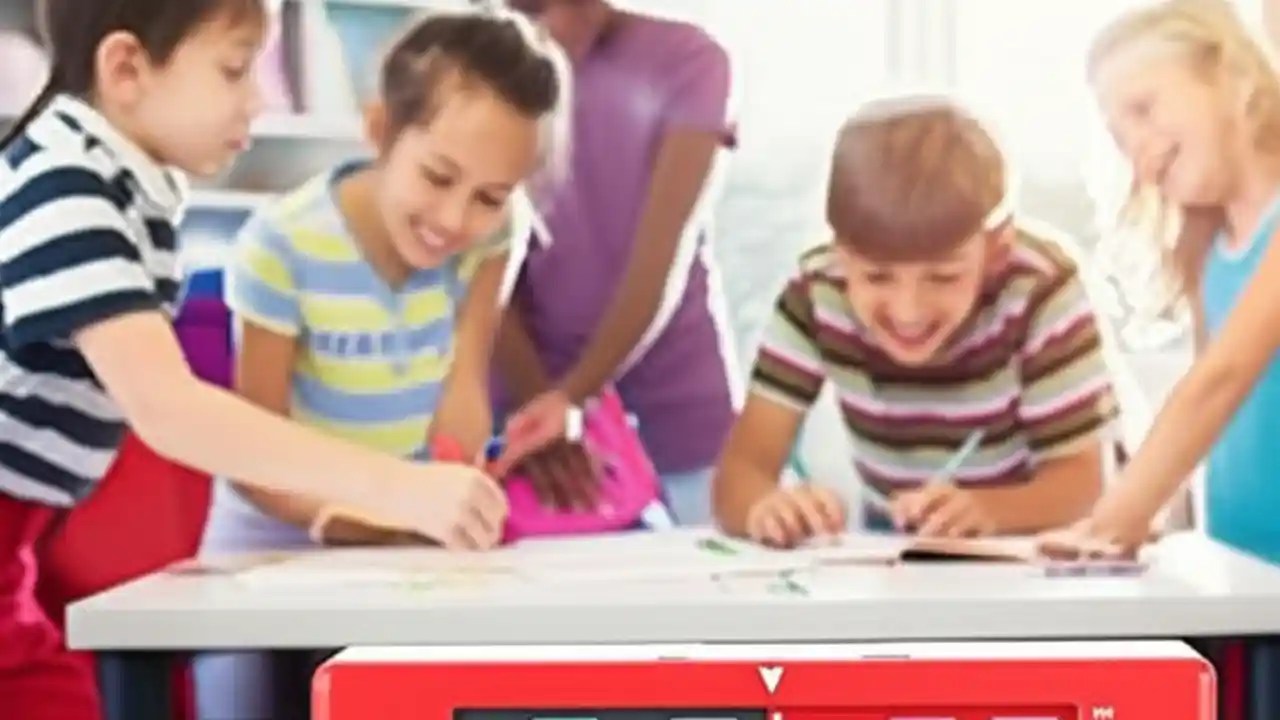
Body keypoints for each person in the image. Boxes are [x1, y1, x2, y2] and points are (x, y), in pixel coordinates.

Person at [0, 1, 506, 716]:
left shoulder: (105, 183)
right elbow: (170, 411)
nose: (258, 99)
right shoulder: (66, 191)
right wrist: (396, 486)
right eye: (235, 71)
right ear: (125, 69)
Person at [193, 10, 566, 718]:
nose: (456, 220)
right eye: (438, 176)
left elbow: (462, 396)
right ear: (380, 130)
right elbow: (253, 454)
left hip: (402, 547)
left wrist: (450, 495)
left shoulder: (494, 239)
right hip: (267, 551)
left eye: (490, 196)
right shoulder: (282, 245)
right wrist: (352, 517)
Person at [713, 96, 1120, 548]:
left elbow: (1085, 484)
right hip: (898, 555)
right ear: (842, 254)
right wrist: (766, 507)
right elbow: (741, 471)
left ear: (996, 251)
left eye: (943, 277)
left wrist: (989, 510)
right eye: (876, 276)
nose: (908, 310)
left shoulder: (1040, 288)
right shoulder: (817, 292)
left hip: (1032, 553)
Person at [1036, 0, 1280, 564]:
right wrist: (1164, 524)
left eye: (1143, 108)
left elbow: (1222, 379)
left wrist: (1112, 522)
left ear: (1231, 74)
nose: (1139, 151)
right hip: (1241, 573)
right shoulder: (1209, 251)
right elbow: (1209, 419)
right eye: (1120, 138)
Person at [491, 0, 740, 524]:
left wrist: (572, 398)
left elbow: (662, 256)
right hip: (526, 413)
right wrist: (539, 405)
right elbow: (484, 271)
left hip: (679, 403)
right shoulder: (483, 73)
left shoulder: (690, 61)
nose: (559, 24)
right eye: (533, 9)